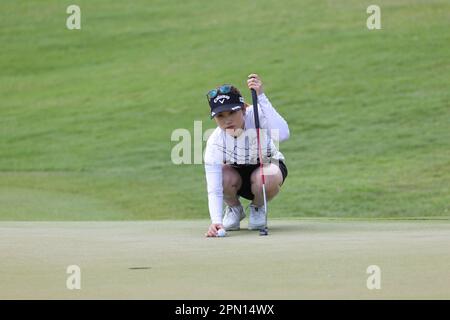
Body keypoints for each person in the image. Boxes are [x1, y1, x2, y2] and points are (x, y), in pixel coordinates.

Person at [204, 74, 290, 237]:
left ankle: (258, 207)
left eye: (232, 112)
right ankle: (234, 209)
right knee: (222, 175)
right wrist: (216, 222)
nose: (227, 120)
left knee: (266, 176)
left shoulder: (256, 114)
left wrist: (261, 97)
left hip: (267, 167)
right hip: (236, 174)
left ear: (243, 109)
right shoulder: (215, 141)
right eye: (220, 116)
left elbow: (283, 134)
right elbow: (214, 189)